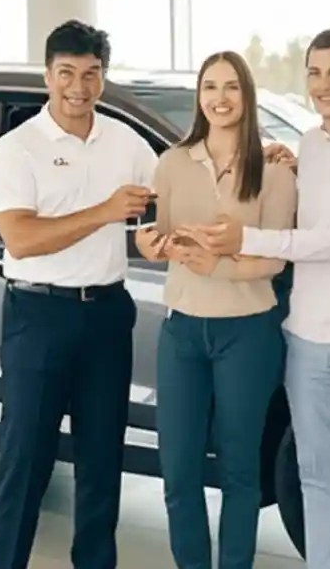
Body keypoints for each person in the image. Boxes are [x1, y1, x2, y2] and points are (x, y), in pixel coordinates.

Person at [175, 29, 330, 569]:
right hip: (305, 339)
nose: (323, 84)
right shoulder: (309, 144)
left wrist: (245, 240)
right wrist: (295, 167)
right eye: (314, 72)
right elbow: (312, 206)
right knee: (315, 479)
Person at [0, 19, 159, 569]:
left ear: (103, 77)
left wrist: (264, 158)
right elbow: (21, 237)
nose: (79, 87)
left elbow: (173, 197)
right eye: (67, 74)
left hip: (107, 317)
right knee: (25, 464)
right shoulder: (17, 150)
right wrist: (106, 211)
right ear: (48, 75)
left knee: (102, 465)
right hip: (38, 316)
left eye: (91, 74)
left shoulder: (128, 144)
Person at [133, 51, 297, 569]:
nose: (220, 98)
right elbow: (160, 236)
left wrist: (215, 266)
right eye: (210, 87)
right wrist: (148, 245)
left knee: (240, 472)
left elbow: (274, 259)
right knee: (178, 472)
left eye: (231, 87)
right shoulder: (173, 162)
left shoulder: (273, 170)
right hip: (182, 332)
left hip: (248, 334)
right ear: (198, 96)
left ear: (247, 96)